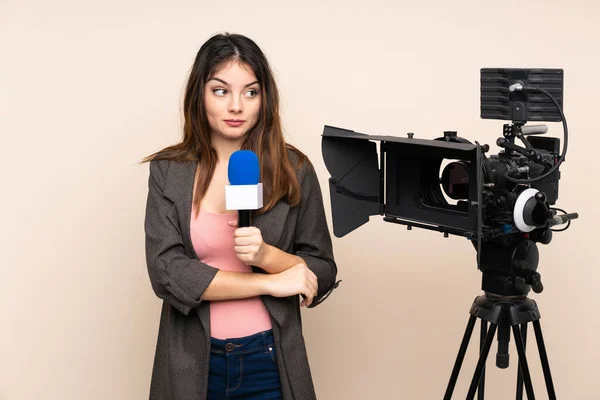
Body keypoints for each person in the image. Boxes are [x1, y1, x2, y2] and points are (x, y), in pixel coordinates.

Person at [142, 32, 340, 400]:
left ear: (265, 98)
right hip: (193, 362)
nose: (236, 106)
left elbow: (322, 271)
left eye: (250, 92)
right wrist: (268, 282)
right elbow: (166, 272)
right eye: (221, 91)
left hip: (269, 359)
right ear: (199, 95)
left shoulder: (293, 169)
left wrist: (268, 257)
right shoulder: (169, 170)